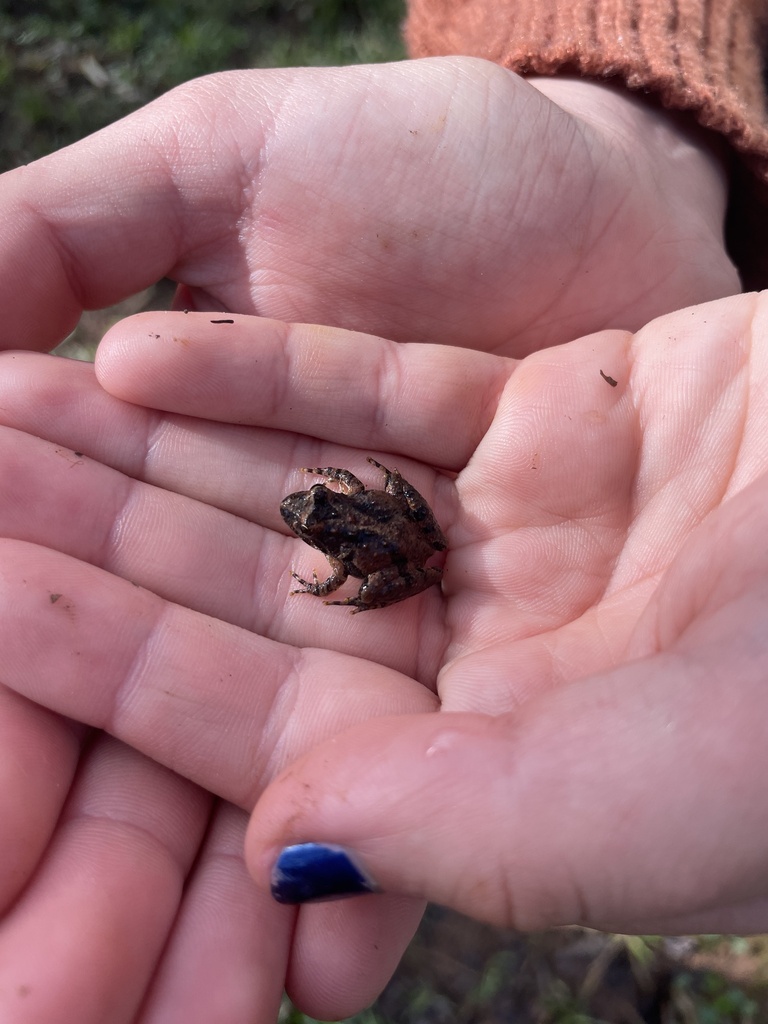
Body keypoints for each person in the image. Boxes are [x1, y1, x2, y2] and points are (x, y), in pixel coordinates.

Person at [0, 0, 766, 1020]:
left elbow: (376, 534)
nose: (308, 513)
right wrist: (625, 122)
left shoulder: (348, 533)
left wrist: (341, 581)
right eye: (310, 516)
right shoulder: (343, 513)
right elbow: (377, 511)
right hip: (403, 532)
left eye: (311, 514)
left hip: (405, 548)